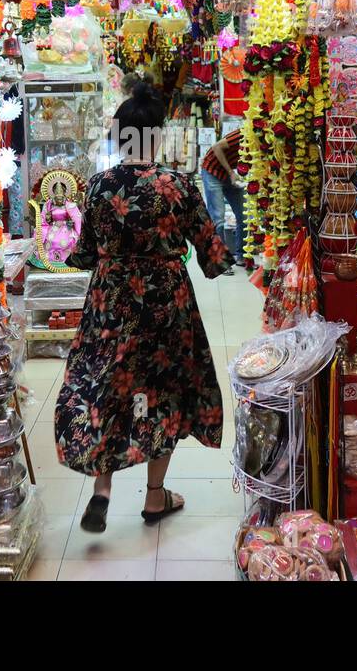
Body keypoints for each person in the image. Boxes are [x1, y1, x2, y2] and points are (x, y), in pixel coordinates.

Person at [55, 78, 233, 533]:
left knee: (106, 385)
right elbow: (213, 254)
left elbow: (81, 254)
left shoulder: (98, 187)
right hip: (165, 303)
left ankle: (103, 490)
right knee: (162, 393)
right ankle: (155, 497)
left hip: (110, 301)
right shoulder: (177, 185)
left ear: (119, 136)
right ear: (157, 136)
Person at [199, 127, 244, 272]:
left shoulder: (264, 143)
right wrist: (231, 172)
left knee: (244, 215)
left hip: (230, 174)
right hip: (213, 171)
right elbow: (216, 147)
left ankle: (241, 256)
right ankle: (222, 262)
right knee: (218, 217)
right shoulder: (242, 134)